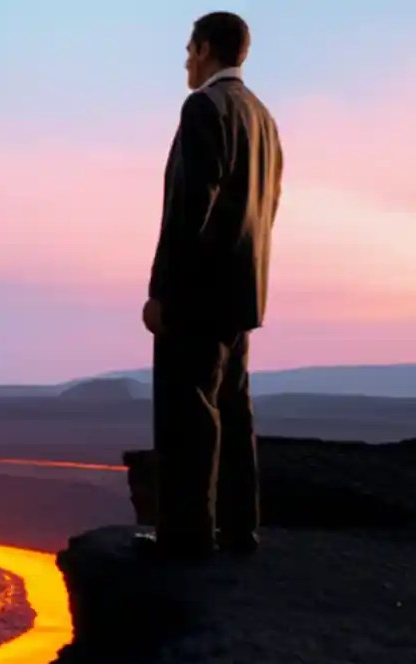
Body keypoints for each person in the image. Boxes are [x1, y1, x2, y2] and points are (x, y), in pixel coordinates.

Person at [140, 11, 283, 559]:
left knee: (188, 414)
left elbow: (188, 208)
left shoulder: (205, 107)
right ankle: (239, 529)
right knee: (233, 409)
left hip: (197, 293)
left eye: (189, 48)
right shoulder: (263, 117)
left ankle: (187, 539)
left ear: (205, 49)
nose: (185, 60)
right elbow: (267, 208)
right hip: (241, 292)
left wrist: (162, 291)